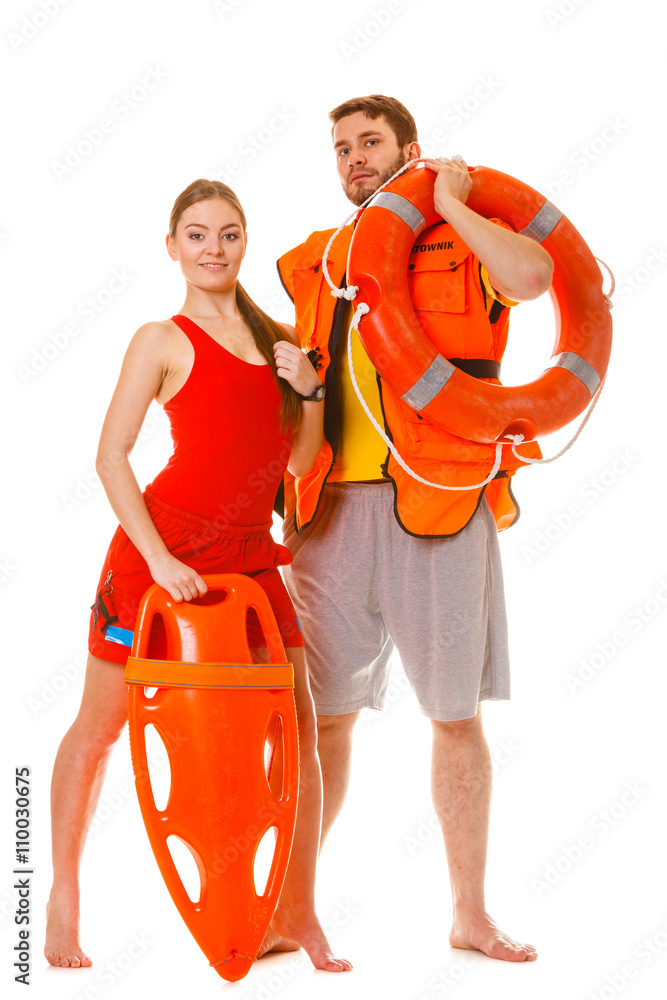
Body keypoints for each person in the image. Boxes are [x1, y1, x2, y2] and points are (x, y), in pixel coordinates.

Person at [44, 178, 351, 973]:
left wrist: (310, 389)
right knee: (102, 726)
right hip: (160, 552)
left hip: (251, 558)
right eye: (196, 234)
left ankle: (298, 914)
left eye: (227, 234)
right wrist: (159, 561)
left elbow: (300, 461)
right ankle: (61, 900)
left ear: (245, 241)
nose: (213, 248)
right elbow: (111, 458)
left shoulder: (279, 337)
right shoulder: (161, 338)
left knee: (298, 738)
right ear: (172, 245)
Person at [277, 95, 554, 962]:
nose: (354, 158)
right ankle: (293, 910)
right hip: (330, 517)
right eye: (342, 148)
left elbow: (533, 279)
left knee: (452, 713)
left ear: (409, 149)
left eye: (370, 143)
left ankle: (469, 915)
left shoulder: (456, 241)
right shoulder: (323, 263)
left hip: (438, 503)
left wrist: (458, 204)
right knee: (321, 723)